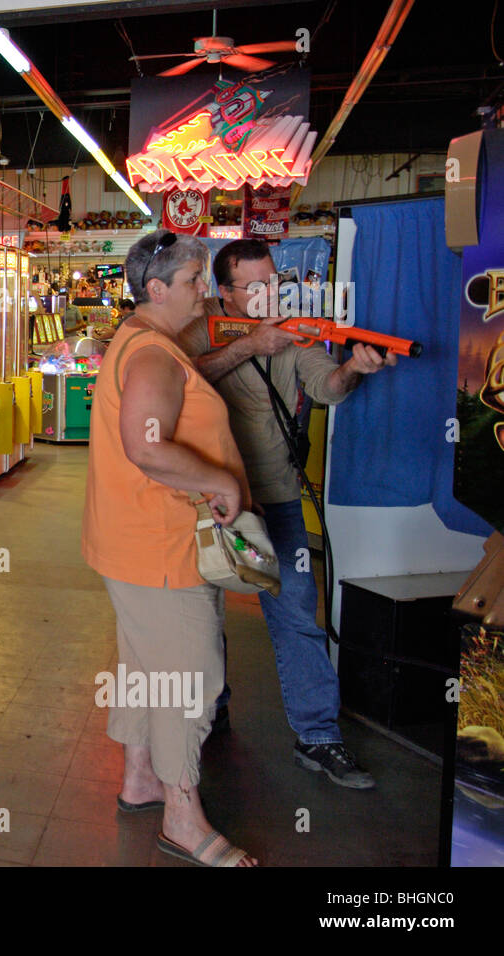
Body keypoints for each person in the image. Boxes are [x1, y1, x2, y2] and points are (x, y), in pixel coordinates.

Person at [178, 239, 396, 789]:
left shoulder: (293, 324)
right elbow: (177, 381)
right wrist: (252, 344)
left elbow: (327, 386)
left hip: (273, 493)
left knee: (298, 612)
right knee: (200, 616)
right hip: (202, 495)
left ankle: (319, 736)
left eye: (272, 281)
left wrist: (355, 369)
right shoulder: (194, 326)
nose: (267, 293)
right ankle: (211, 711)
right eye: (253, 285)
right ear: (222, 292)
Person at [82, 230, 258, 867]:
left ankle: (140, 780)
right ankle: (182, 816)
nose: (204, 294)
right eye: (193, 283)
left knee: (143, 666)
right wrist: (220, 481)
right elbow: (147, 446)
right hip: (160, 549)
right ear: (156, 289)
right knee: (190, 677)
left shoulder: (144, 344)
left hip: (131, 543)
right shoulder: (153, 354)